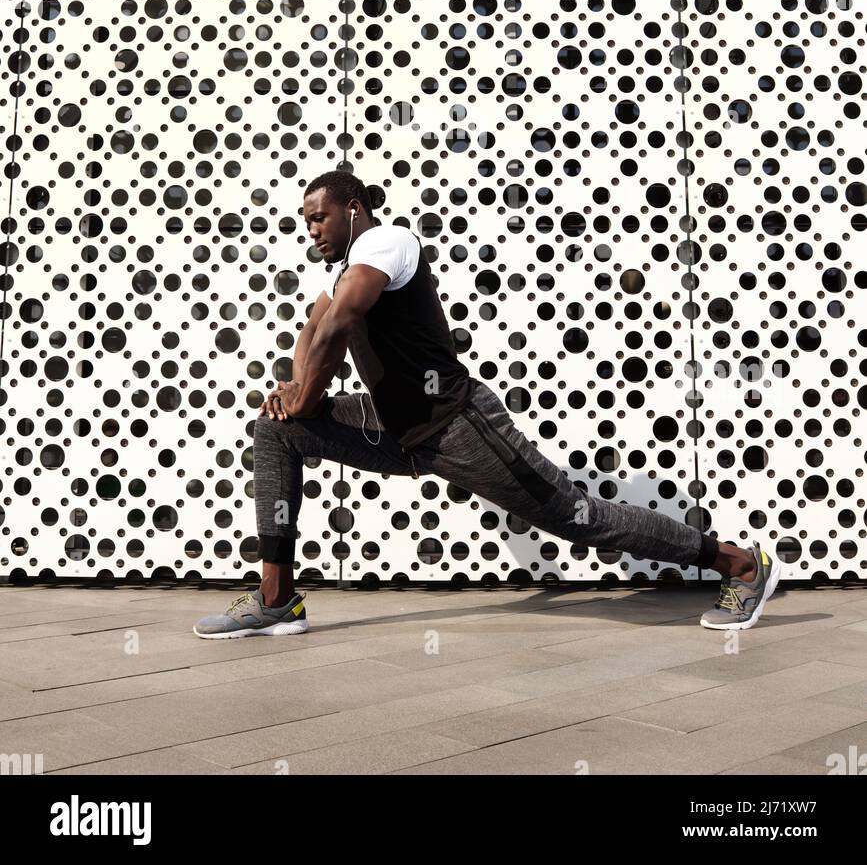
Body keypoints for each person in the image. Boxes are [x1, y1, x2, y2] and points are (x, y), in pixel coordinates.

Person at [194, 171, 781, 639]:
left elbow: (342, 322)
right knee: (277, 432)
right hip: (396, 429)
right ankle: (276, 600)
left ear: (352, 208)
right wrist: (296, 397)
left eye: (318, 216)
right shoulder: (345, 268)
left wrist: (307, 394)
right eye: (305, 221)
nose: (311, 230)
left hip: (458, 425)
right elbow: (310, 331)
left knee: (580, 519)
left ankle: (738, 563)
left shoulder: (385, 242)